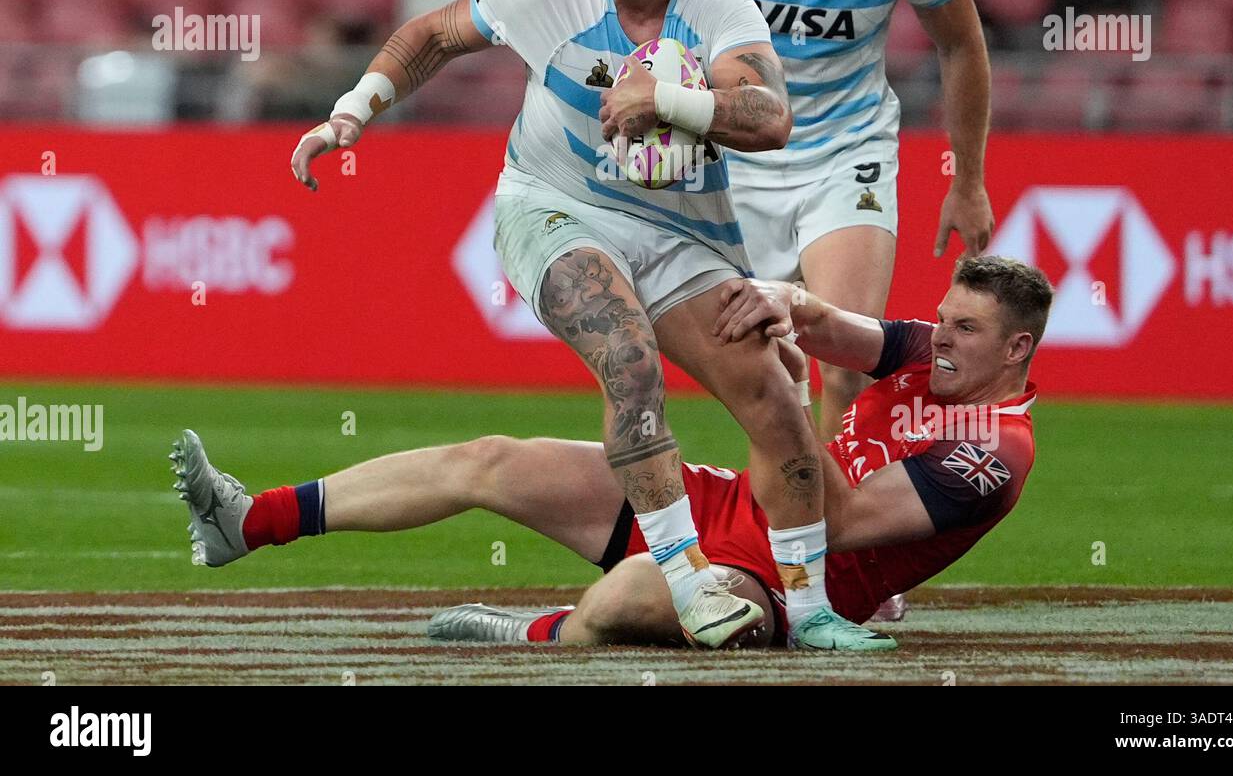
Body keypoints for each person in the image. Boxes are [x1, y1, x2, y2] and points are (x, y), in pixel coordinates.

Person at [277, 0, 887, 651]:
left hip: (677, 230)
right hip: (552, 204)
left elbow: (772, 118)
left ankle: (810, 609)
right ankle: (686, 579)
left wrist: (666, 98)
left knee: (774, 396)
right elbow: (431, 34)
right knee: (627, 354)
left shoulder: (720, 8)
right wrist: (352, 111)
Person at [170, 254, 1050, 648]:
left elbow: (844, 517)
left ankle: (538, 635)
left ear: (1015, 351)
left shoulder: (994, 452)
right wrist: (782, 303)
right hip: (729, 508)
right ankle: (251, 522)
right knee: (493, 458)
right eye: (941, 319)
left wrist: (765, 404)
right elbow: (836, 327)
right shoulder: (919, 353)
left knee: (627, 596)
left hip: (790, 577)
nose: (937, 341)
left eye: (964, 331)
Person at [695, 0, 994, 450]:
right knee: (760, 368)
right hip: (740, 155)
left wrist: (968, 179)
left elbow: (962, 46)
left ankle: (830, 537)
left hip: (845, 153)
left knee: (847, 362)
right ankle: (791, 521)